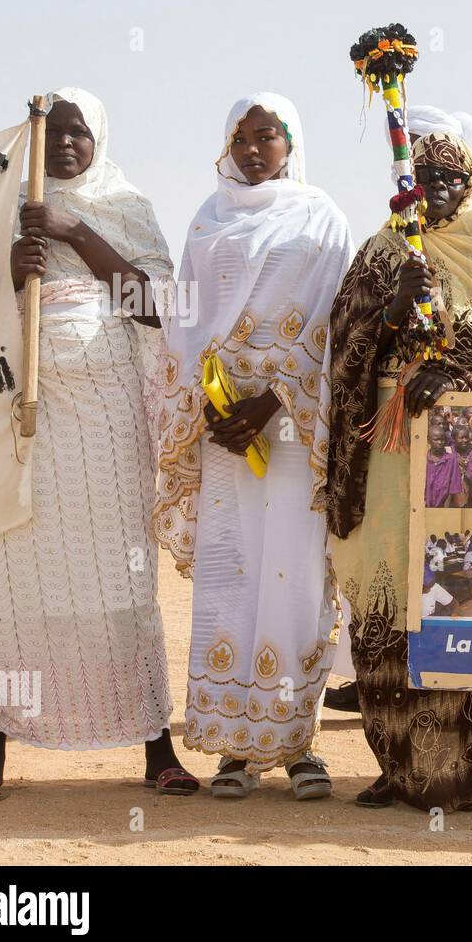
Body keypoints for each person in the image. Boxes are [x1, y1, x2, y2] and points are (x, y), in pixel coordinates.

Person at [0, 87, 195, 804]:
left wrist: (74, 231)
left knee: (119, 587)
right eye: (51, 132)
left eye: (77, 131)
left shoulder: (126, 207)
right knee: (0, 581)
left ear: (100, 138)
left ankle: (157, 749)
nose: (62, 144)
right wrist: (12, 276)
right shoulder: (0, 210)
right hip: (18, 426)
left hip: (107, 429)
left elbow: (158, 307)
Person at [158, 93, 351, 800]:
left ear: (290, 141)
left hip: (295, 429)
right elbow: (185, 323)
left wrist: (270, 400)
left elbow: (332, 328)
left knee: (296, 579)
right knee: (230, 578)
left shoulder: (321, 218)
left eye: (265, 135)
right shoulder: (206, 222)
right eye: (239, 137)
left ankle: (299, 743)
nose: (251, 149)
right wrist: (213, 409)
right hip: (225, 436)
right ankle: (234, 751)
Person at [325, 130, 472, 812]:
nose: (437, 186)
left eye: (451, 177)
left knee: (453, 597)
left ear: (470, 185)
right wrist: (393, 307)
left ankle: (465, 773)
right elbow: (342, 345)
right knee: (385, 605)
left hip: (460, 457)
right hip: (385, 445)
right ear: (406, 182)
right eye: (425, 174)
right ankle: (395, 765)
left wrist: (451, 375)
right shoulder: (383, 250)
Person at [425, 423, 466, 507]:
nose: (440, 442)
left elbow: (453, 489)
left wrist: (444, 511)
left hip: (443, 506)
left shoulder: (451, 460)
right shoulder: (423, 459)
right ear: (428, 440)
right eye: (436, 440)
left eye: (442, 439)